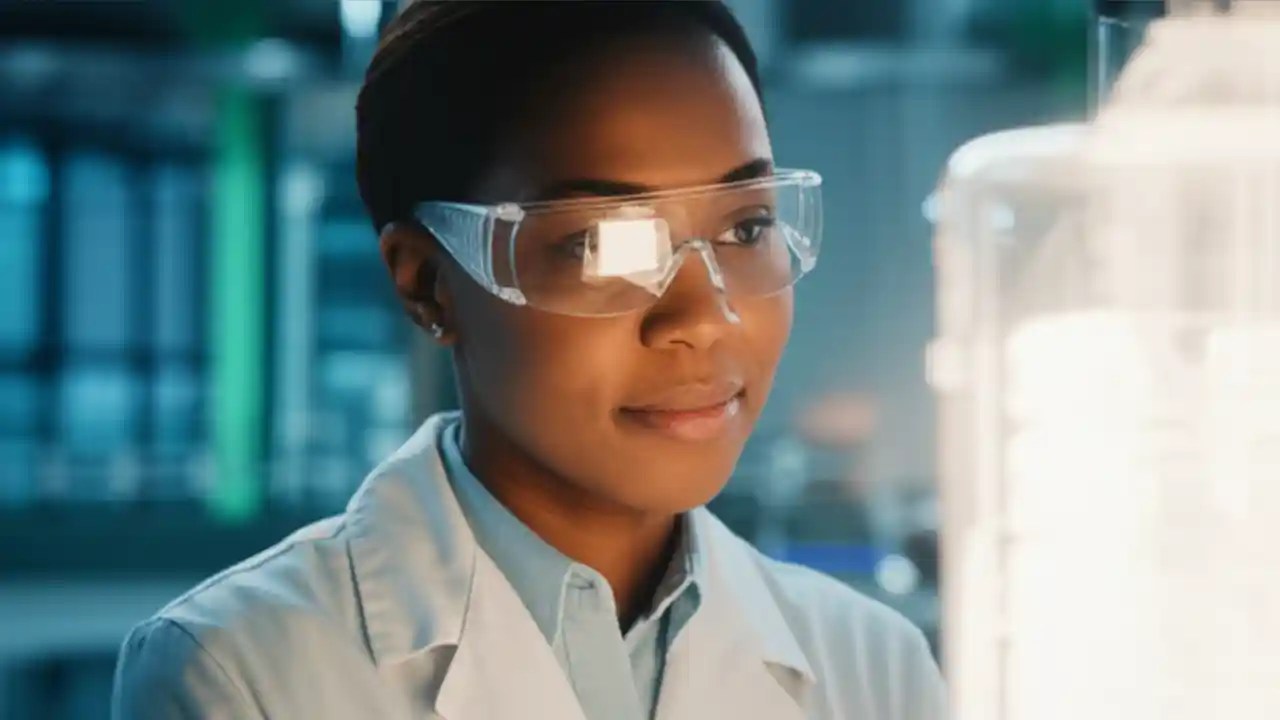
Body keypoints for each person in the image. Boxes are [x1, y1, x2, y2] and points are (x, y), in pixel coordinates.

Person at [111, 2, 947, 718]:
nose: (704, 315)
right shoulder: (243, 673)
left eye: (747, 228)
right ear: (430, 285)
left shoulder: (871, 667)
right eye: (605, 245)